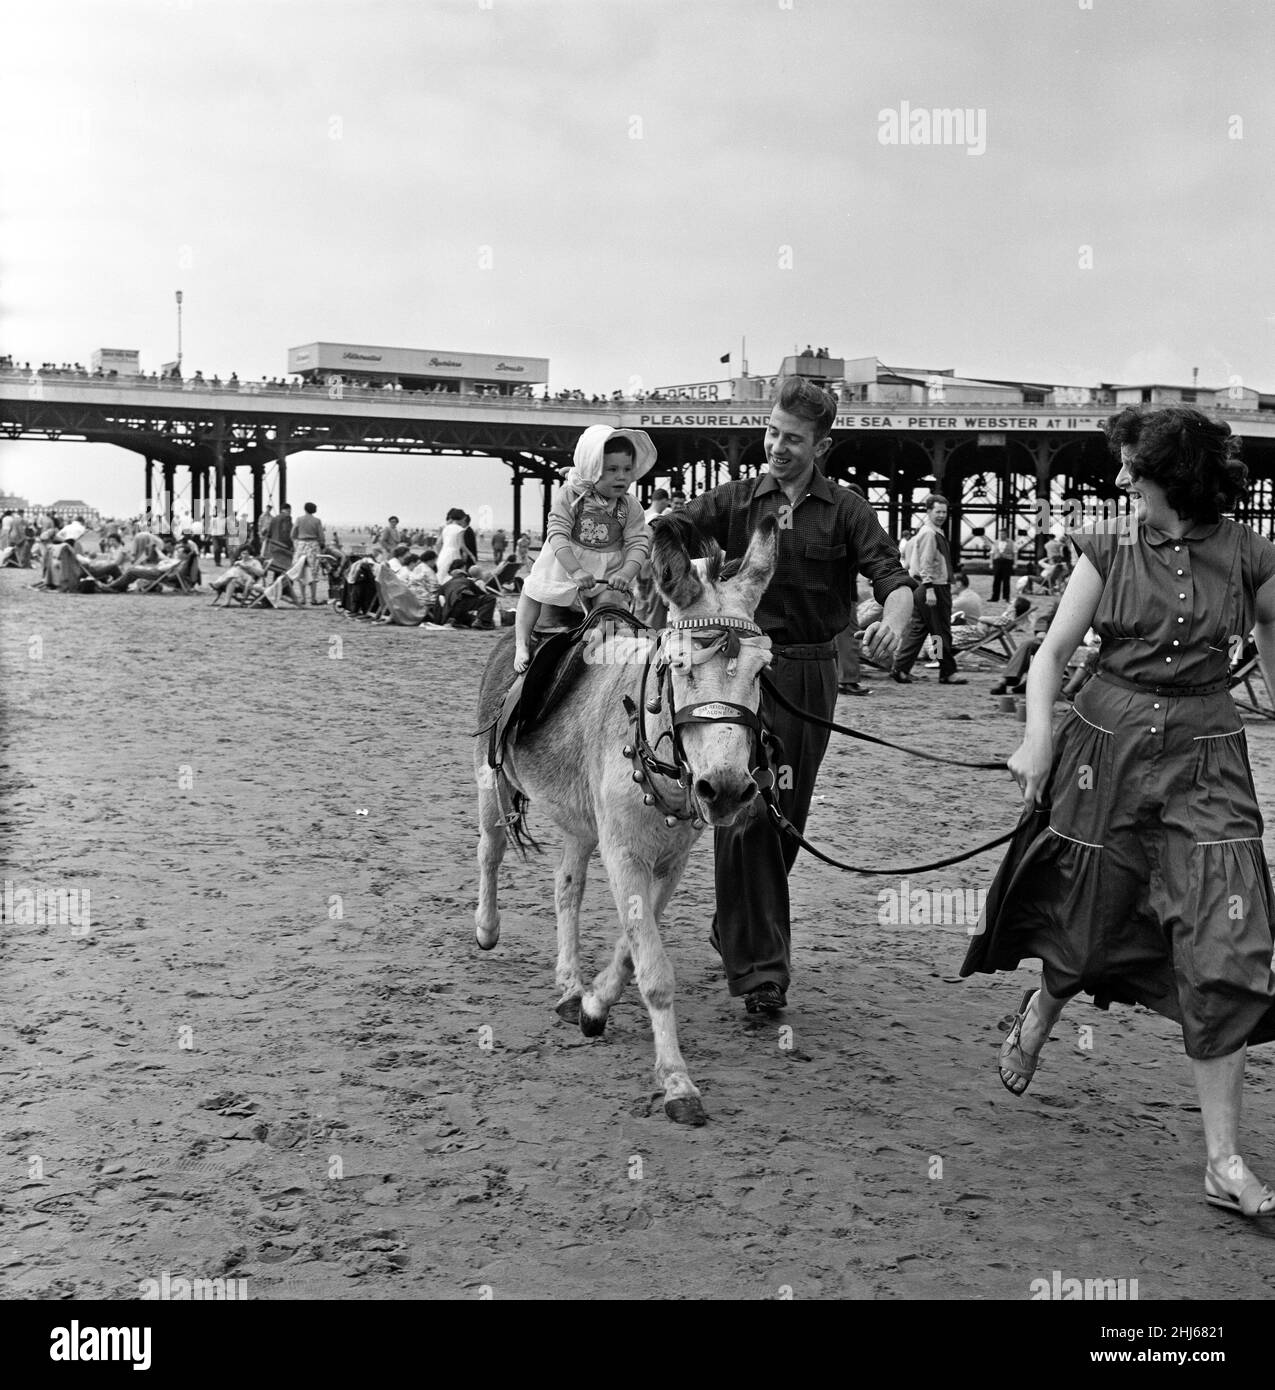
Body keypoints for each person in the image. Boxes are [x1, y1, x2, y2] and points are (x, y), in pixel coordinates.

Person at [963, 405, 1275, 1221]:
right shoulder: (1107, 549)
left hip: (1208, 762)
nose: (1119, 481)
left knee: (1227, 945)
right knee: (1090, 922)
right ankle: (1043, 1008)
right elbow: (1050, 659)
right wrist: (1036, 742)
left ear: (1174, 478)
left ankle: (1222, 1160)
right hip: (1106, 754)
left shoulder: (1251, 556)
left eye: (1132, 469)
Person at [685, 378, 914, 1016]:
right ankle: (762, 972)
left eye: (793, 439)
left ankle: (738, 926)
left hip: (811, 677)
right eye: (772, 432)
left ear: (822, 444)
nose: (777, 447)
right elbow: (670, 530)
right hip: (737, 670)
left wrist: (894, 620)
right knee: (741, 802)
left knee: (786, 815)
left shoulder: (847, 510)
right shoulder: (732, 500)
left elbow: (893, 578)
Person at [513, 426, 656, 672]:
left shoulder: (630, 506)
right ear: (591, 470)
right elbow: (557, 534)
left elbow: (638, 543)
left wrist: (626, 573)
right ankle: (521, 642)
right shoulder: (570, 496)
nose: (621, 477)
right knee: (533, 590)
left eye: (626, 469)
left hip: (605, 571)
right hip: (564, 565)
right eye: (612, 470)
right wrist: (576, 571)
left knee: (612, 603)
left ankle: (595, 638)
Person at [890, 494, 967, 686]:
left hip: (922, 587)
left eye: (944, 512)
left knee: (918, 629)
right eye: (937, 511)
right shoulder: (929, 534)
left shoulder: (930, 532)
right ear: (928, 512)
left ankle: (900, 669)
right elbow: (926, 563)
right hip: (933, 588)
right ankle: (947, 672)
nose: (941, 515)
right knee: (941, 631)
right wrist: (930, 588)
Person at [440, 559, 499, 629]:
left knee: (468, 614)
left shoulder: (447, 583)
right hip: (460, 605)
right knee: (490, 598)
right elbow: (481, 593)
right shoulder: (467, 581)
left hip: (449, 610)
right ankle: (482, 621)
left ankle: (456, 621)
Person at [292, 501, 326, 606]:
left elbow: (293, 533)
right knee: (313, 572)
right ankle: (313, 598)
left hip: (301, 545)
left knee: (301, 571)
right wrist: (322, 545)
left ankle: (302, 598)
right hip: (313, 545)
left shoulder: (299, 519)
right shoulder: (317, 521)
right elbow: (321, 536)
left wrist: (297, 542)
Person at [435, 509, 472, 575]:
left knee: (442, 572)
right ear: (463, 518)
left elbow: (438, 543)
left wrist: (439, 553)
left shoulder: (446, 528)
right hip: (454, 553)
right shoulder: (460, 529)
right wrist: (471, 555)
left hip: (444, 552)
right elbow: (462, 545)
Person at [990, 529, 1016, 603]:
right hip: (997, 561)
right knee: (996, 580)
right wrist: (991, 563)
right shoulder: (995, 542)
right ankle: (995, 597)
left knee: (1006, 580)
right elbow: (992, 553)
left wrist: (1015, 563)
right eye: (1000, 534)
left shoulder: (1012, 543)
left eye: (1003, 534)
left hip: (1007, 562)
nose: (1001, 536)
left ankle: (1006, 597)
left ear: (1006, 534)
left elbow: (1015, 553)